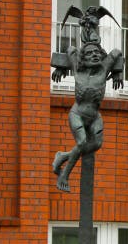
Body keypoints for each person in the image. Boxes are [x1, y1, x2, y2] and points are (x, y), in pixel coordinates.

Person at [51, 38, 124, 192]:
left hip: (95, 115)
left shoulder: (104, 70)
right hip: (77, 113)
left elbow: (117, 52)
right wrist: (61, 68)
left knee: (97, 143)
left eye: (97, 52)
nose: (94, 55)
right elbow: (70, 48)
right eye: (90, 53)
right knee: (82, 142)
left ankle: (63, 156)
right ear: (83, 58)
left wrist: (118, 72)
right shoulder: (77, 69)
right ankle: (64, 175)